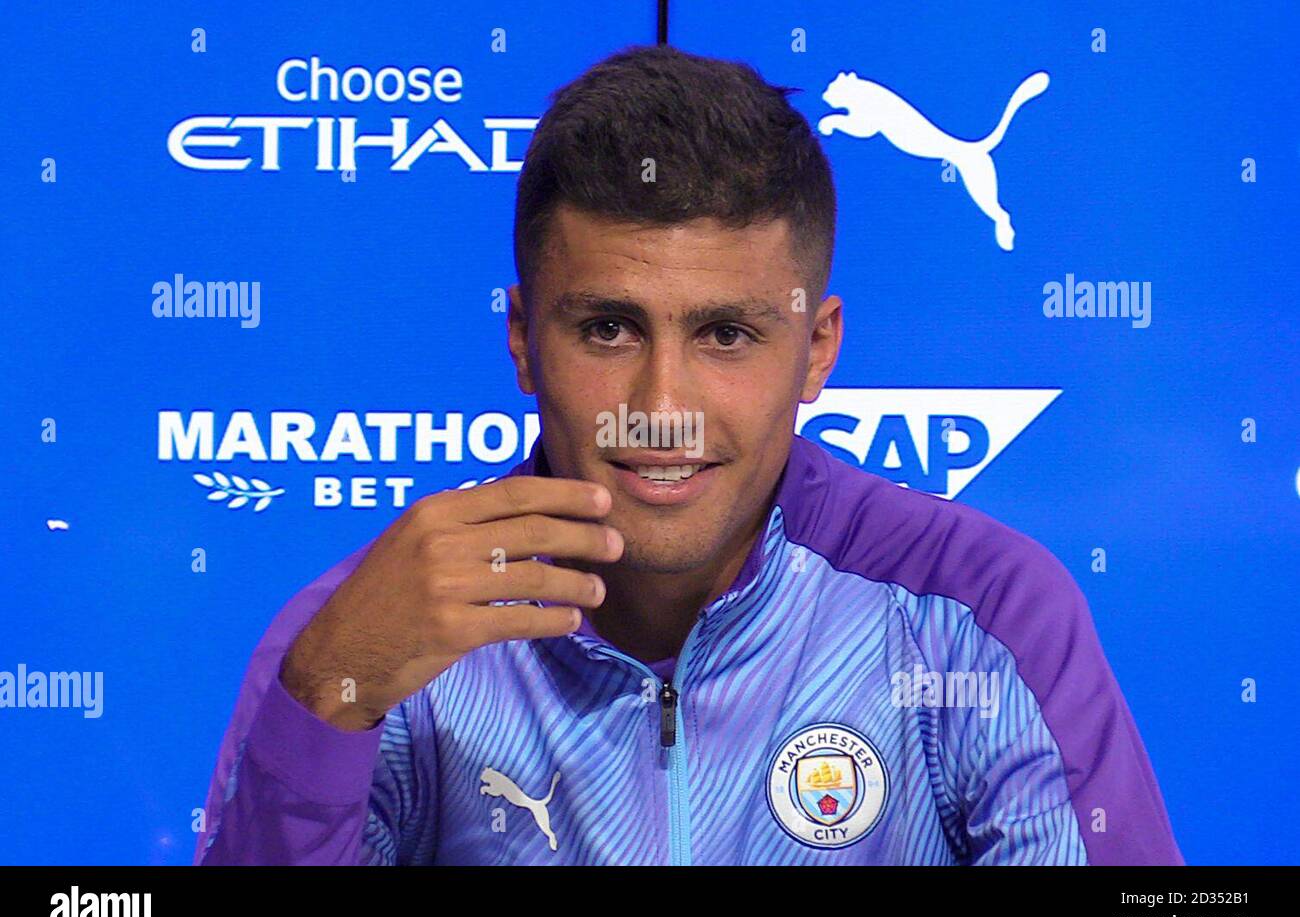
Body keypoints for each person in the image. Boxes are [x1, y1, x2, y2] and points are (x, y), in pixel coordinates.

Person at [194, 44, 1182, 865]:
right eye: (610, 328)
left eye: (725, 335)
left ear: (817, 349)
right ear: (523, 339)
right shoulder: (365, 640)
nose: (661, 408)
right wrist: (328, 698)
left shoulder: (983, 610)